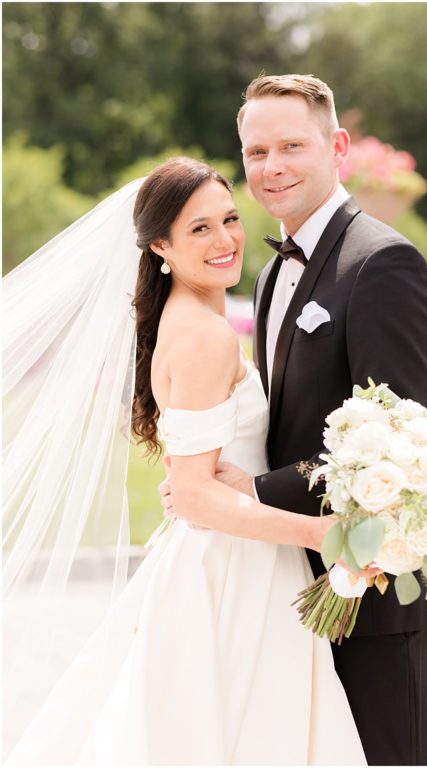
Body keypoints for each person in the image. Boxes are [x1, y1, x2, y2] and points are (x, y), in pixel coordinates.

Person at [3, 157, 365, 764]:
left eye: (228, 219)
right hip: (231, 568)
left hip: (237, 552)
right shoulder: (203, 334)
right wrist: (320, 532)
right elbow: (194, 494)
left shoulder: (189, 316)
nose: (225, 240)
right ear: (160, 247)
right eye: (199, 229)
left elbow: (192, 476)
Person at [165, 74, 427, 766]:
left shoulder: (383, 262)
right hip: (283, 583)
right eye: (256, 151)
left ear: (338, 146)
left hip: (378, 596)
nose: (272, 167)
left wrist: (253, 492)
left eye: (292, 145)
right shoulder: (268, 277)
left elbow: (397, 447)